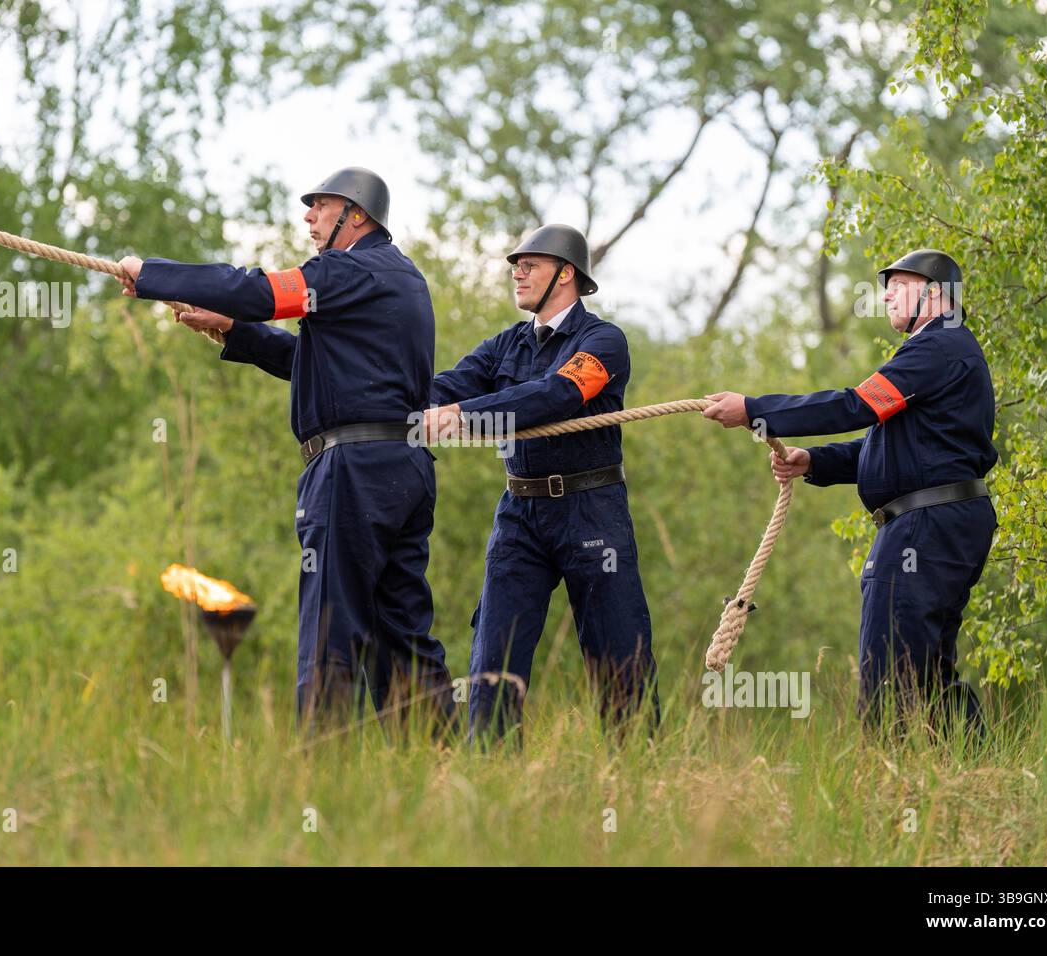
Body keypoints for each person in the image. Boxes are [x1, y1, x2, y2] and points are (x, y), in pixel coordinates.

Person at [117, 167, 456, 735]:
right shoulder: (400, 279)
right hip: (404, 468)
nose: (307, 217)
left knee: (330, 629)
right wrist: (233, 329)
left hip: (351, 473)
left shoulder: (347, 269)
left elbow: (260, 292)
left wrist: (151, 273)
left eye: (319, 206)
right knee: (403, 635)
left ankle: (318, 784)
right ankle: (442, 772)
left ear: (357, 214)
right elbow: (318, 367)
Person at [702, 249, 996, 740]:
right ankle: (978, 775)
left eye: (898, 284)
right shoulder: (943, 352)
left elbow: (857, 405)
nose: (884, 293)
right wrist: (815, 461)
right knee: (929, 674)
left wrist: (754, 409)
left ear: (936, 294)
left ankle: (884, 781)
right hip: (945, 521)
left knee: (888, 672)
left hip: (922, 529)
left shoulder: (938, 346)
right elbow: (893, 446)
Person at [422, 224, 658, 742]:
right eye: (515, 263)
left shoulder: (604, 342)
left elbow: (556, 397)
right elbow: (439, 388)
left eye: (530, 263)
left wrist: (461, 416)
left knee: (619, 657)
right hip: (520, 515)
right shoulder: (504, 345)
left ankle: (642, 776)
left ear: (566, 273)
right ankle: (491, 777)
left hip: (591, 510)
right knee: (493, 658)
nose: (517, 271)